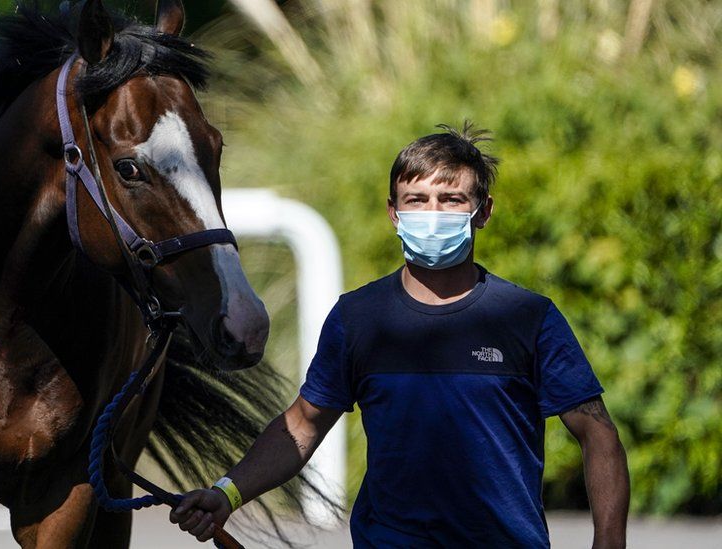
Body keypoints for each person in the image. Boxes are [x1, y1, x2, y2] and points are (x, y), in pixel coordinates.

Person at [169, 122, 630, 548]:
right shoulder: (359, 318)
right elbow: (305, 424)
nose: (433, 214)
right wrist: (226, 494)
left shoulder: (528, 318)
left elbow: (599, 437)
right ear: (394, 213)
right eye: (416, 199)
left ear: (483, 212)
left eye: (451, 200)